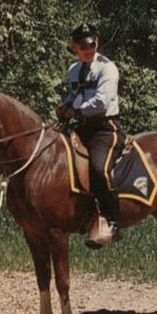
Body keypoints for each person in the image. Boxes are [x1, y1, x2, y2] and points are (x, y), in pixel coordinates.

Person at [56, 23, 125, 248]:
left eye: (93, 44)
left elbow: (101, 103)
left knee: (98, 168)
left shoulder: (107, 68)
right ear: (75, 47)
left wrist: (75, 110)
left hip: (105, 128)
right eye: (84, 45)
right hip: (83, 127)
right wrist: (65, 107)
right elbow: (75, 95)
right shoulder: (74, 70)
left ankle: (113, 224)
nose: (89, 49)